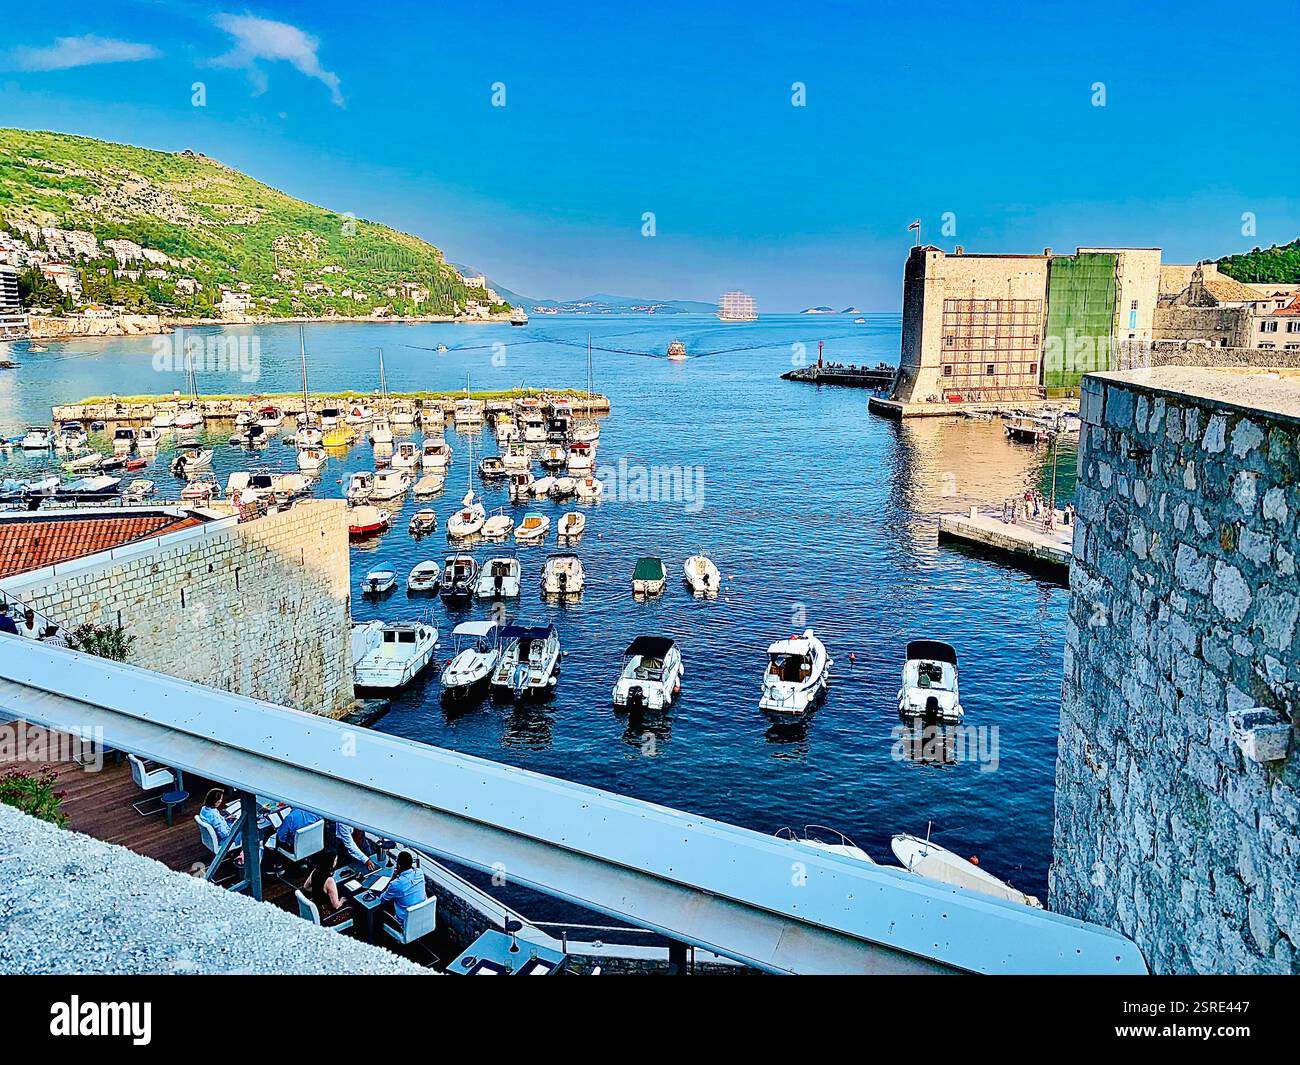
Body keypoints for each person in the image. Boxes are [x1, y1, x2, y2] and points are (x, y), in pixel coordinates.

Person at [378, 850, 427, 930]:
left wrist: (394, 877)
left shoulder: (396, 884)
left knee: (381, 911)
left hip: (404, 923)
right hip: (422, 916)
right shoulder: (420, 873)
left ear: (399, 866)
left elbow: (382, 899)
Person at [307, 850, 354, 928]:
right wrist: (342, 900)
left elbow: (306, 887)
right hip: (327, 915)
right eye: (335, 860)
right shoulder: (329, 881)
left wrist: (318, 890)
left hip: (317, 907)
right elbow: (336, 906)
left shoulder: (315, 871)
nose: (336, 862)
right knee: (353, 907)